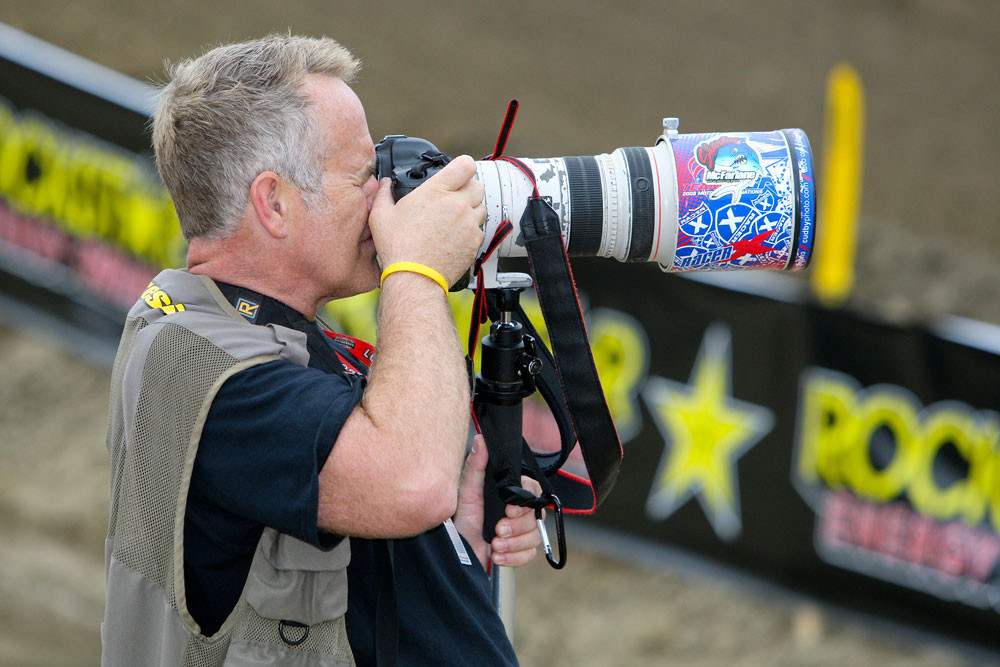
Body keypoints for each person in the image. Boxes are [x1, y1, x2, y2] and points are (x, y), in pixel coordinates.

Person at [101, 34, 540, 666]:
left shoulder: (273, 337)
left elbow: (359, 533)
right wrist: (417, 270)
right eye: (362, 176)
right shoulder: (201, 365)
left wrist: (453, 541)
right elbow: (412, 483)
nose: (383, 194)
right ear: (274, 203)